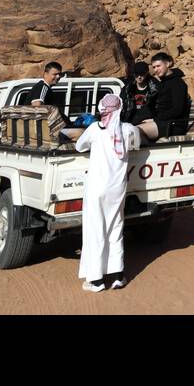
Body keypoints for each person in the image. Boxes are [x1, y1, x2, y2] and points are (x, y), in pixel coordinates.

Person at [75, 94, 140, 292]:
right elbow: (136, 142)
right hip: (117, 189)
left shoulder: (95, 129)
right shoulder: (128, 129)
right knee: (115, 229)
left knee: (95, 231)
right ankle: (118, 275)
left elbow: (79, 146)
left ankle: (95, 280)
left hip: (97, 188)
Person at [138, 53, 191, 142]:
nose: (156, 70)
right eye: (154, 67)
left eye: (158, 66)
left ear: (167, 64)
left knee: (133, 132)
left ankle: (152, 152)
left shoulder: (177, 83)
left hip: (174, 125)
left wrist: (155, 119)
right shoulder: (164, 82)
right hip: (163, 122)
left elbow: (177, 110)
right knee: (129, 128)